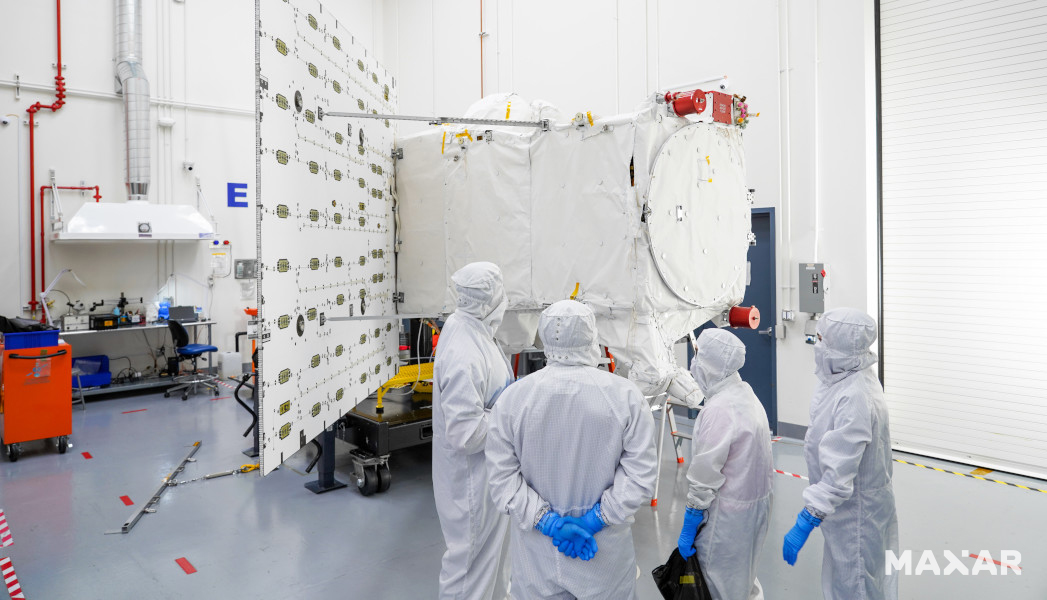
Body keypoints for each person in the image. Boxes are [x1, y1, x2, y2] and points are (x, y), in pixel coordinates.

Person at [486, 300, 657, 600]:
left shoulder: (513, 400)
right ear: (592, 336)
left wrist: (549, 523)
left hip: (538, 557)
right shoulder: (626, 397)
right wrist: (594, 520)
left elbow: (502, 480)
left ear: (544, 337)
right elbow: (640, 477)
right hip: (604, 557)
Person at [782, 308, 899, 600]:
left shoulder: (855, 395)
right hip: (847, 513)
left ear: (841, 347)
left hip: (857, 515)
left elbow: (838, 475)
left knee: (856, 586)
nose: (816, 344)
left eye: (821, 338)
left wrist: (806, 520)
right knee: (844, 584)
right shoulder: (843, 379)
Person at [432, 262, 515, 600]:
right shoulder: (464, 352)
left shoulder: (470, 328)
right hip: (472, 484)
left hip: (486, 478)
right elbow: (466, 434)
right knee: (468, 570)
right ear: (487, 300)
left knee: (487, 564)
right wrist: (511, 416)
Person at [677, 328, 773, 600]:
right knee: (744, 582)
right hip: (753, 511)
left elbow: (705, 476)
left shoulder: (719, 409)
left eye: (698, 356)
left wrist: (690, 524)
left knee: (718, 586)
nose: (694, 363)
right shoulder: (745, 394)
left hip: (728, 520)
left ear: (710, 363)